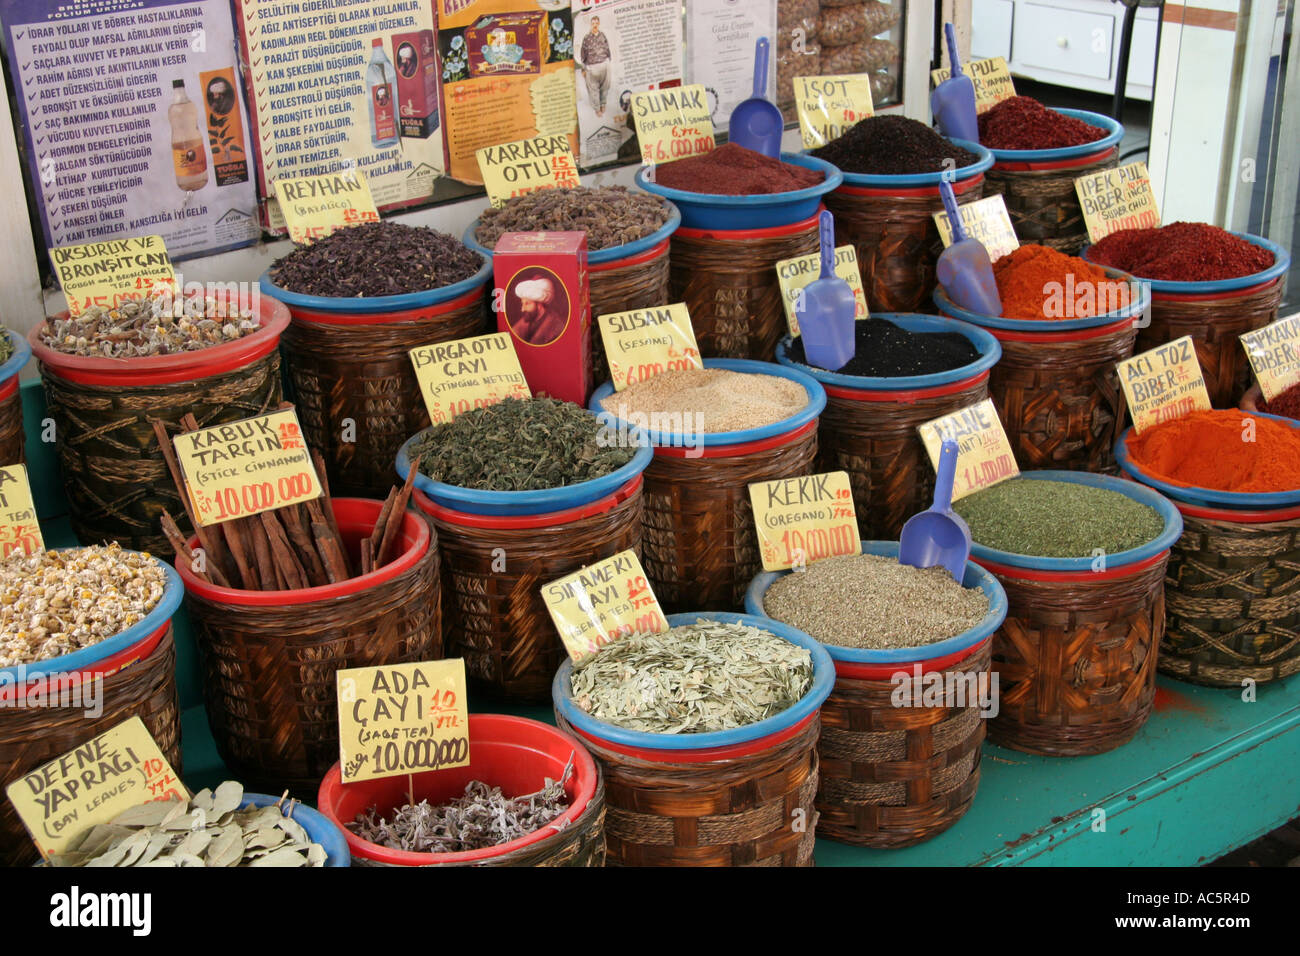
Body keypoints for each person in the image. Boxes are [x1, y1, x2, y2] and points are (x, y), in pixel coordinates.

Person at [511, 276, 567, 345]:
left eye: (527, 303)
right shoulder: (525, 322)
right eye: (523, 304)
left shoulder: (556, 327)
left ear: (539, 305)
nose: (522, 309)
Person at [577, 16, 611, 116]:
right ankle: (597, 108)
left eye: (596, 23)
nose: (595, 25)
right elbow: (583, 54)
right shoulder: (586, 38)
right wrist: (583, 68)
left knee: (605, 87)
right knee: (593, 89)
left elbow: (607, 49)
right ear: (591, 24)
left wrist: (608, 61)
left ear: (598, 24)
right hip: (592, 67)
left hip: (604, 64)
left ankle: (603, 103)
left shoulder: (603, 35)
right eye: (593, 23)